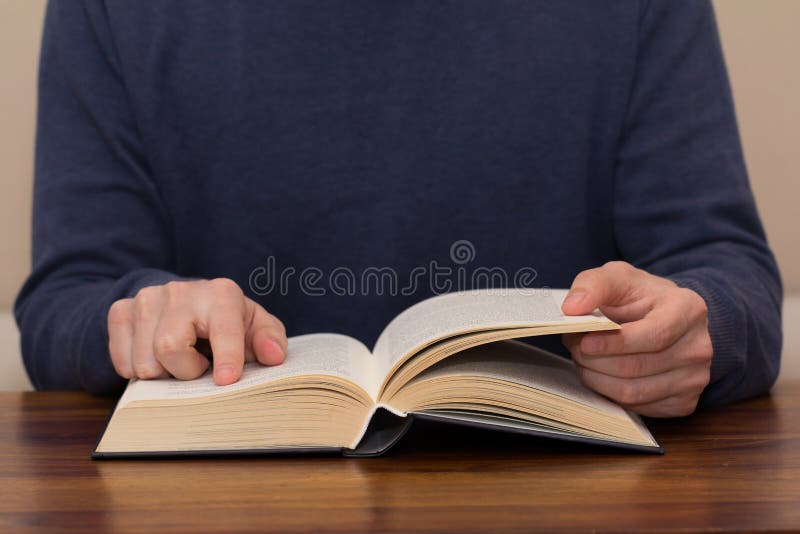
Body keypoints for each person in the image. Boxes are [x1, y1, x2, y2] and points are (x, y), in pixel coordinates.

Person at [16, 1, 782, 418]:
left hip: (559, 492)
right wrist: (137, 316)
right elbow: (66, 299)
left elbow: (728, 271)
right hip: (221, 500)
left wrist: (698, 326)